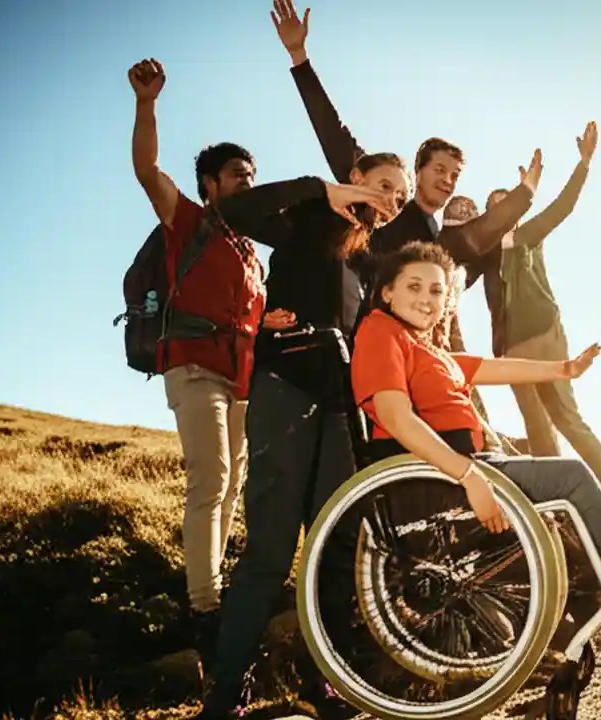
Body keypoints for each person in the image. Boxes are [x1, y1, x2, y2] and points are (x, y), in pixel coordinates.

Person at [127, 57, 396, 685]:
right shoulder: (189, 221)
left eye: (251, 175)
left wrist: (271, 319)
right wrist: (147, 105)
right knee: (213, 477)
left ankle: (227, 592)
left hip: (249, 374)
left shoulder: (255, 249)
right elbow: (147, 171)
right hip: (196, 366)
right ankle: (205, 606)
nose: (246, 183)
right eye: (235, 176)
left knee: (235, 487)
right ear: (209, 185)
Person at [350, 241, 601, 649]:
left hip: (463, 467)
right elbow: (395, 417)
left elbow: (497, 368)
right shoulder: (380, 331)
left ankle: (573, 636)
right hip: (432, 480)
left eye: (436, 290)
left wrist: (564, 369)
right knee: (571, 477)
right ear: (387, 292)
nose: (426, 298)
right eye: (414, 286)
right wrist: (469, 475)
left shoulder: (431, 351)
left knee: (562, 519)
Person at [271, 0, 536, 452]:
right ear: (418, 171)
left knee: (473, 434)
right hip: (380, 357)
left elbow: (479, 236)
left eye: (455, 174)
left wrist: (524, 195)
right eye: (439, 169)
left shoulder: (442, 240)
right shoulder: (385, 211)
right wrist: (300, 59)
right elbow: (335, 136)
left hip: (432, 354)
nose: (447, 179)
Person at [198, 151, 405, 719]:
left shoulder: (372, 259)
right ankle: (226, 692)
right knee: (269, 550)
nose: (392, 200)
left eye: (401, 195)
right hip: (285, 390)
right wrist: (320, 189)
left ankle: (324, 684)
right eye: (384, 185)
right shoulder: (305, 220)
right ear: (356, 181)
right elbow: (234, 211)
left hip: (341, 407)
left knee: (333, 547)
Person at [442, 122, 601, 540]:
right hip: (511, 348)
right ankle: (559, 519)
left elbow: (562, 206)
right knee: (537, 428)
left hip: (543, 335)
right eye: (496, 209)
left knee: (567, 419)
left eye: (509, 205)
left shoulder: (527, 236)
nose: (504, 213)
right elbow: (454, 272)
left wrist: (583, 163)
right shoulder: (485, 254)